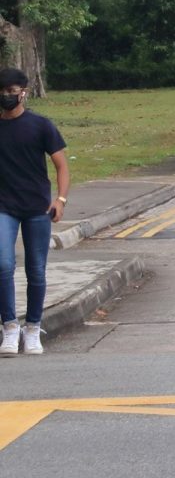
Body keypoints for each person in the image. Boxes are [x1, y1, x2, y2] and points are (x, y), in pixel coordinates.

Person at [0, 67, 69, 355]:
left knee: (36, 269)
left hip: (38, 208)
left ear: (24, 92)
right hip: (4, 206)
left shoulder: (41, 126)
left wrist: (60, 200)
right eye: (2, 92)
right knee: (3, 265)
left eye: (12, 92)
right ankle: (10, 327)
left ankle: (32, 328)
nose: (7, 97)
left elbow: (62, 166)